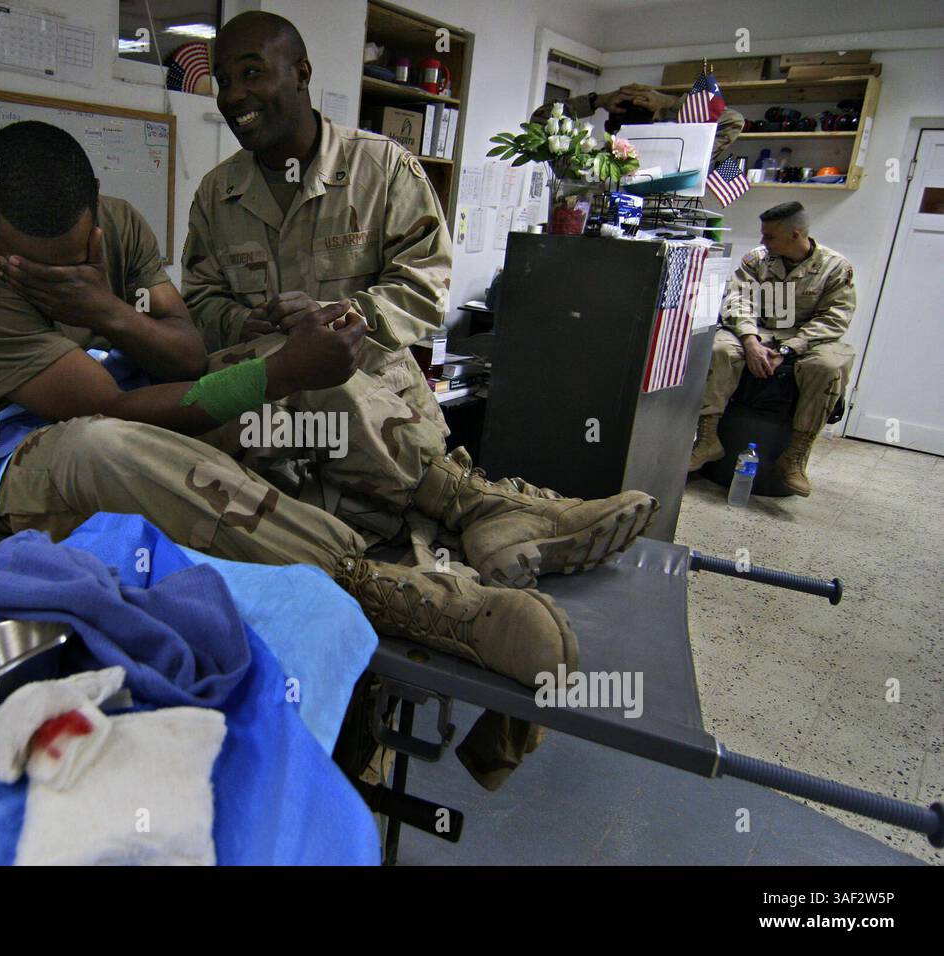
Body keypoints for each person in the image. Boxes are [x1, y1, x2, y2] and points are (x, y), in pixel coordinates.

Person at [0, 119, 586, 790]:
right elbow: (108, 414)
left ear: (95, 210)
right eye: (45, 268)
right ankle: (394, 592)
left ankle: (470, 504)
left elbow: (186, 352)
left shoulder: (116, 224)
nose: (64, 276)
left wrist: (108, 311)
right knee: (106, 444)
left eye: (75, 259)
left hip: (130, 398)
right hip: (18, 454)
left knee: (292, 362)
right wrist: (274, 376)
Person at [184, 12, 658, 788]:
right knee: (350, 578)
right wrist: (261, 327)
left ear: (301, 74)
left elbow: (427, 286)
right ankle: (487, 523)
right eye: (227, 80)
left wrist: (346, 324)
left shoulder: (384, 170)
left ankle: (407, 727)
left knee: (371, 529)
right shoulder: (218, 193)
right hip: (283, 439)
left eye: (252, 73)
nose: (236, 95)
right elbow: (200, 304)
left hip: (386, 424)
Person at [688, 202, 856, 496]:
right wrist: (750, 341)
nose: (762, 242)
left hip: (808, 339)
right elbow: (738, 301)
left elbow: (835, 318)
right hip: (759, 331)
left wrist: (791, 349)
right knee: (719, 349)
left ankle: (794, 456)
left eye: (770, 237)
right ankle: (708, 439)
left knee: (829, 366)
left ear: (796, 234)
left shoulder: (835, 268)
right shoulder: (757, 260)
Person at [560, 83, 744, 163]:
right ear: (655, 123)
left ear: (608, 128)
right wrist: (671, 102)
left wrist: (597, 100)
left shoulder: (586, 165)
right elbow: (733, 120)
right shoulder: (675, 161)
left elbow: (542, 117)